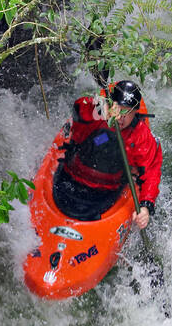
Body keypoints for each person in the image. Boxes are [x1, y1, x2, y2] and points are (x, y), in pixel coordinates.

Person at [53, 79, 162, 226]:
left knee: (110, 142)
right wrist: (100, 108)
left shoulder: (141, 136)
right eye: (119, 108)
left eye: (128, 111)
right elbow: (79, 107)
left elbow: (151, 172)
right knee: (102, 138)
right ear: (111, 104)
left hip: (105, 193)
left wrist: (146, 206)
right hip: (69, 180)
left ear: (135, 111)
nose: (122, 116)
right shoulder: (96, 115)